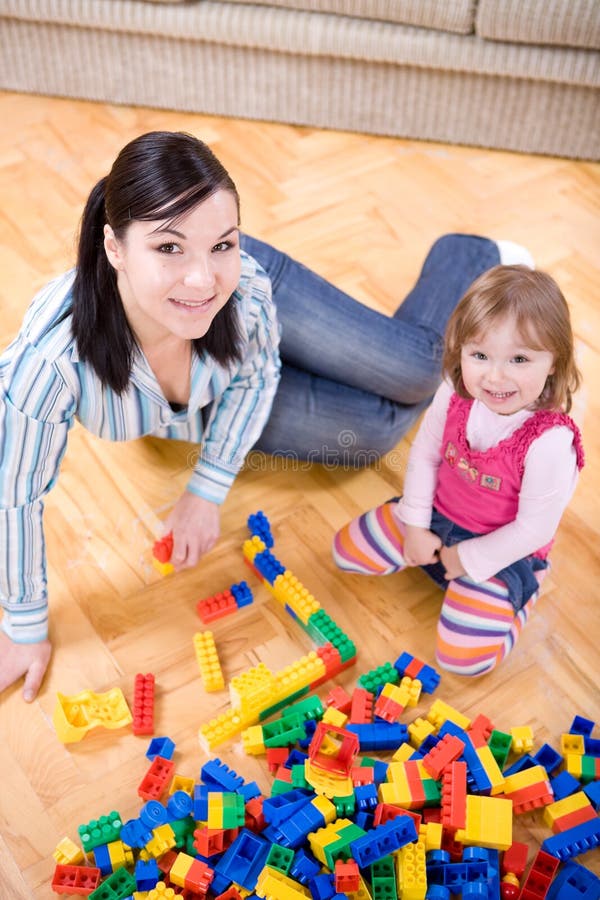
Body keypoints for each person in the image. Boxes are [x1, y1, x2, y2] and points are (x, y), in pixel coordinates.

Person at [0, 129, 525, 702]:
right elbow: (15, 498)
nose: (202, 278)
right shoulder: (47, 365)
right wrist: (24, 628)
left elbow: (257, 374)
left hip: (265, 317)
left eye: (221, 244)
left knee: (419, 371)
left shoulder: (241, 281)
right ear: (115, 248)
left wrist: (207, 487)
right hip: (208, 404)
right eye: (168, 247)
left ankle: (468, 253)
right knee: (373, 432)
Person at [333, 265, 584, 677]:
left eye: (519, 359)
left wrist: (466, 558)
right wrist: (416, 525)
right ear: (460, 350)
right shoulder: (454, 392)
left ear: (554, 361)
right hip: (439, 517)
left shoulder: (550, 442)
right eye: (479, 355)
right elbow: (425, 457)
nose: (495, 376)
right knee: (345, 553)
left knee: (463, 660)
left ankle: (520, 597)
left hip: (503, 551)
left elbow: (533, 530)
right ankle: (443, 570)